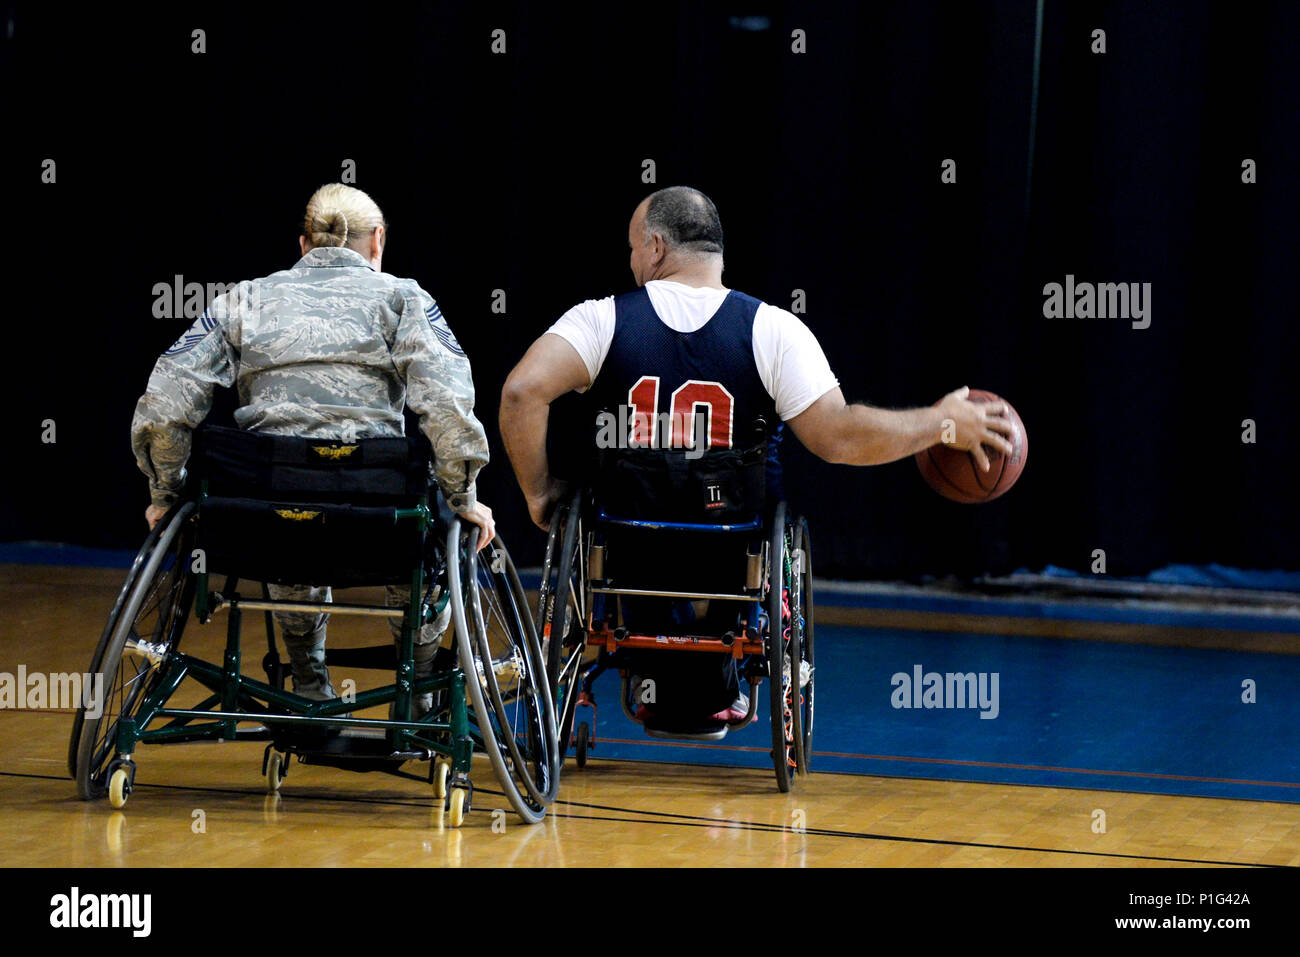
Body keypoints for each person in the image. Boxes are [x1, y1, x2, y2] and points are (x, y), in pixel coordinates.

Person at [499, 185, 1014, 733]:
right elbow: (839, 438)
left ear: (654, 247)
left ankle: (653, 677)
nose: (630, 262)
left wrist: (538, 493)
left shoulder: (601, 320)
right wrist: (941, 422)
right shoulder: (774, 329)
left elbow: (520, 393)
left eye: (631, 248)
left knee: (622, 525)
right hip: (732, 548)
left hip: (630, 547)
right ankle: (720, 680)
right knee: (753, 512)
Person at [131, 184, 495, 713]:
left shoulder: (242, 299)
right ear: (379, 243)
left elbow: (165, 401)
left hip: (270, 516)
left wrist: (164, 490)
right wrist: (463, 496)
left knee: (292, 510)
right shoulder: (404, 299)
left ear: (303, 244)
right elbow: (449, 406)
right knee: (424, 519)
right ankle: (415, 688)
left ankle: (307, 683)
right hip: (380, 515)